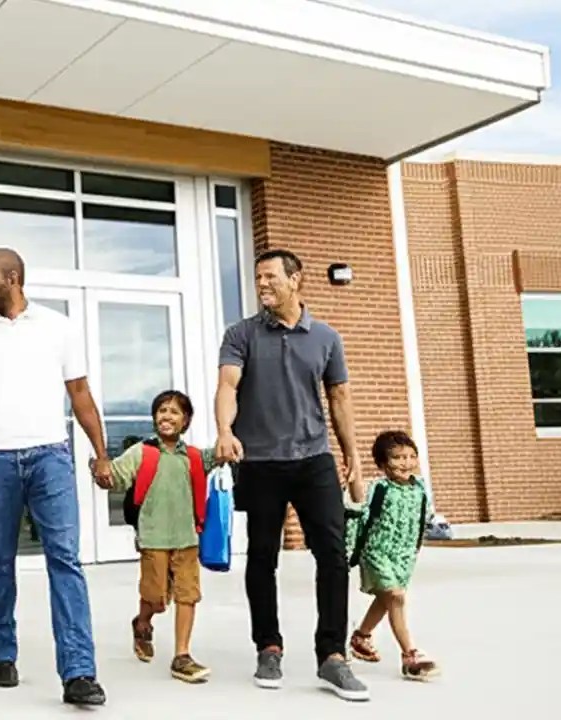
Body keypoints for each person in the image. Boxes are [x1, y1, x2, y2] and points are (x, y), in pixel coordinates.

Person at [0, 247, 112, 706]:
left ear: (12, 278)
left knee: (65, 559)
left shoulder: (57, 327)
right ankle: (2, 652)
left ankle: (79, 671)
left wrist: (100, 453)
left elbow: (79, 392)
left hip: (50, 457)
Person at [213, 248, 370, 702]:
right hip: (259, 462)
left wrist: (352, 454)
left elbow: (339, 398)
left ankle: (333, 656)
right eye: (257, 277)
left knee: (333, 556)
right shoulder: (240, 334)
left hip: (313, 459)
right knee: (262, 556)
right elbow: (228, 384)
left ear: (295, 279)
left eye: (269, 277)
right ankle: (268, 646)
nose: (262, 284)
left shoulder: (325, 337)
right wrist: (225, 430)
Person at [103, 390, 214, 684]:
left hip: (187, 538)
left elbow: (218, 456)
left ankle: (182, 655)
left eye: (174, 412)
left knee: (188, 595)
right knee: (155, 598)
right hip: (153, 539)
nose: (166, 416)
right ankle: (142, 623)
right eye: (162, 410)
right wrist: (101, 470)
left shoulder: (192, 456)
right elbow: (115, 476)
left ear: (186, 420)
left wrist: (233, 438)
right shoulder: (142, 452)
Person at [346, 430, 439, 681]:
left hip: (405, 554)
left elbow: (425, 515)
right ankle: (410, 655)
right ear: (383, 463)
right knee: (396, 597)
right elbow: (361, 514)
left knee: (386, 598)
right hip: (377, 552)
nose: (406, 463)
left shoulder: (419, 487)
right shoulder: (379, 488)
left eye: (411, 456)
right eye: (398, 458)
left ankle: (361, 636)